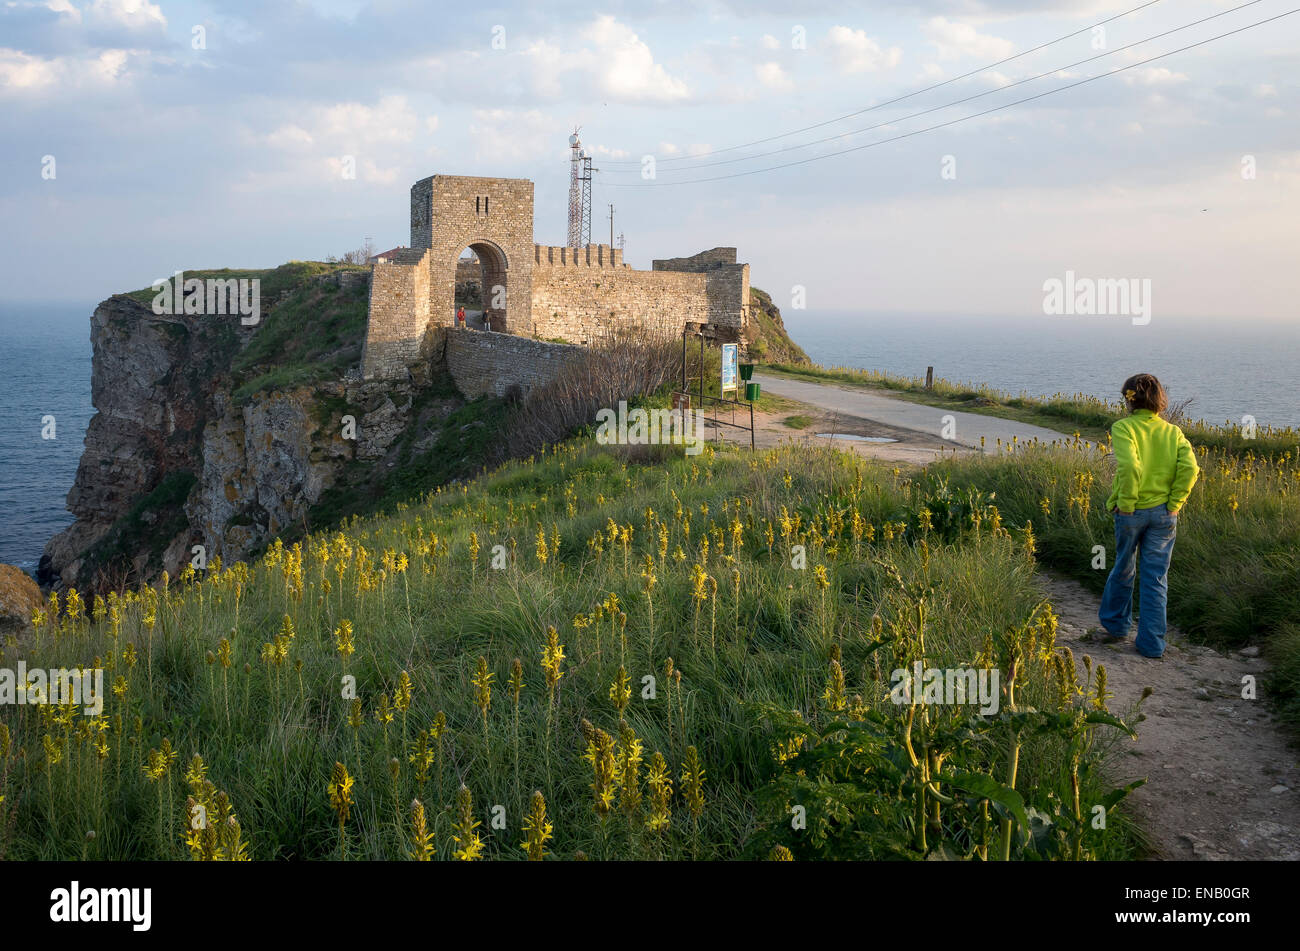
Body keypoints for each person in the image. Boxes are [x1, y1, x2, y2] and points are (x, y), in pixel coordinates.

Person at [1096, 373, 1200, 659]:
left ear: (1129, 400)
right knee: (1156, 578)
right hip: (1165, 514)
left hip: (1132, 512)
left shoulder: (1123, 428)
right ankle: (1152, 645)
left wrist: (1127, 503)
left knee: (1124, 567)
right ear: (1159, 400)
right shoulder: (1173, 432)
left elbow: (1130, 467)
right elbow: (1191, 469)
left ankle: (1116, 628)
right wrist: (1175, 502)